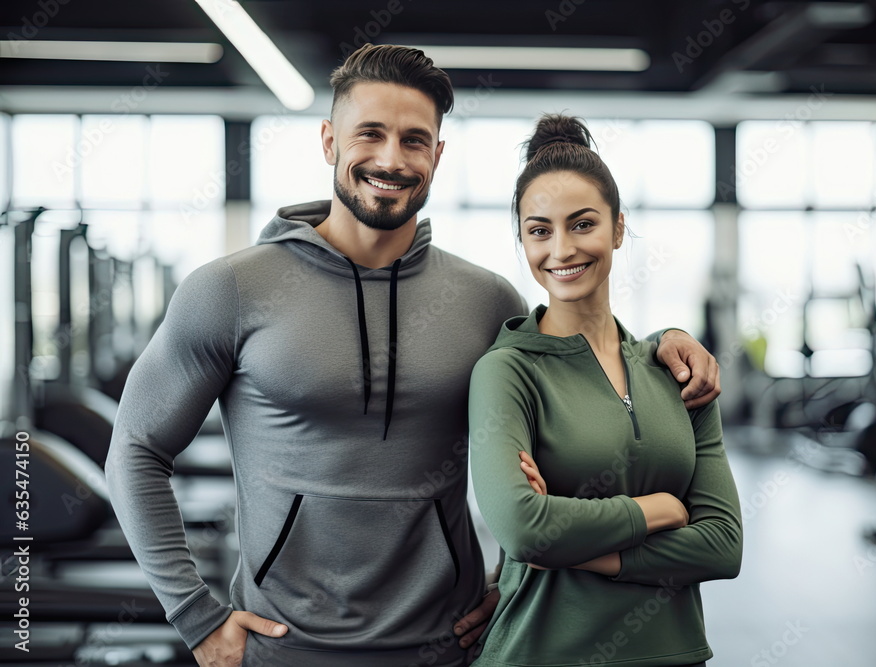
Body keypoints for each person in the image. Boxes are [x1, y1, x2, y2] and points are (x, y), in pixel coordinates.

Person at [105, 46, 721, 667]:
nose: (391, 159)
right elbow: (136, 446)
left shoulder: (485, 300)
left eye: (415, 140)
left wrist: (667, 342)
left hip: (447, 647)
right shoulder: (231, 290)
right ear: (328, 140)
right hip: (282, 650)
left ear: (438, 154)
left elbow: (574, 412)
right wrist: (195, 616)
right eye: (369, 134)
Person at [468, 114, 743, 666]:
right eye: (539, 230)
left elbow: (723, 545)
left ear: (618, 228)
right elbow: (527, 530)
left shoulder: (677, 369)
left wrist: (583, 552)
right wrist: (661, 509)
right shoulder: (507, 371)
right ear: (522, 242)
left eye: (583, 224)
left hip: (675, 654)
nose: (562, 250)